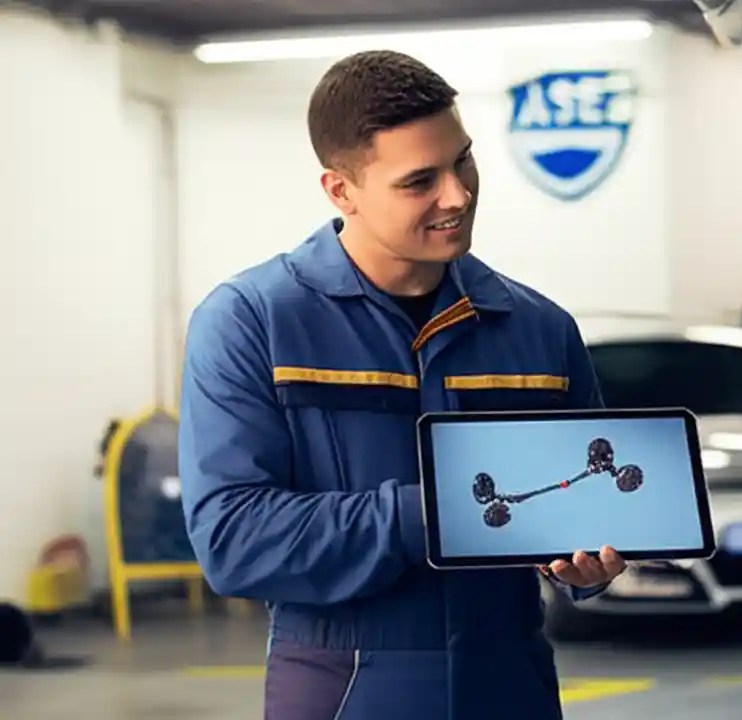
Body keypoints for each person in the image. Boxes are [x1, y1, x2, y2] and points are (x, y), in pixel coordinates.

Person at [178, 50, 626, 720]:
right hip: (342, 684)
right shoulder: (252, 322)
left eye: (464, 161)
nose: (459, 194)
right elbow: (234, 539)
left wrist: (589, 566)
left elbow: (585, 515)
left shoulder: (540, 329)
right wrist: (440, 513)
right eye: (421, 181)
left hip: (511, 680)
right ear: (341, 189)